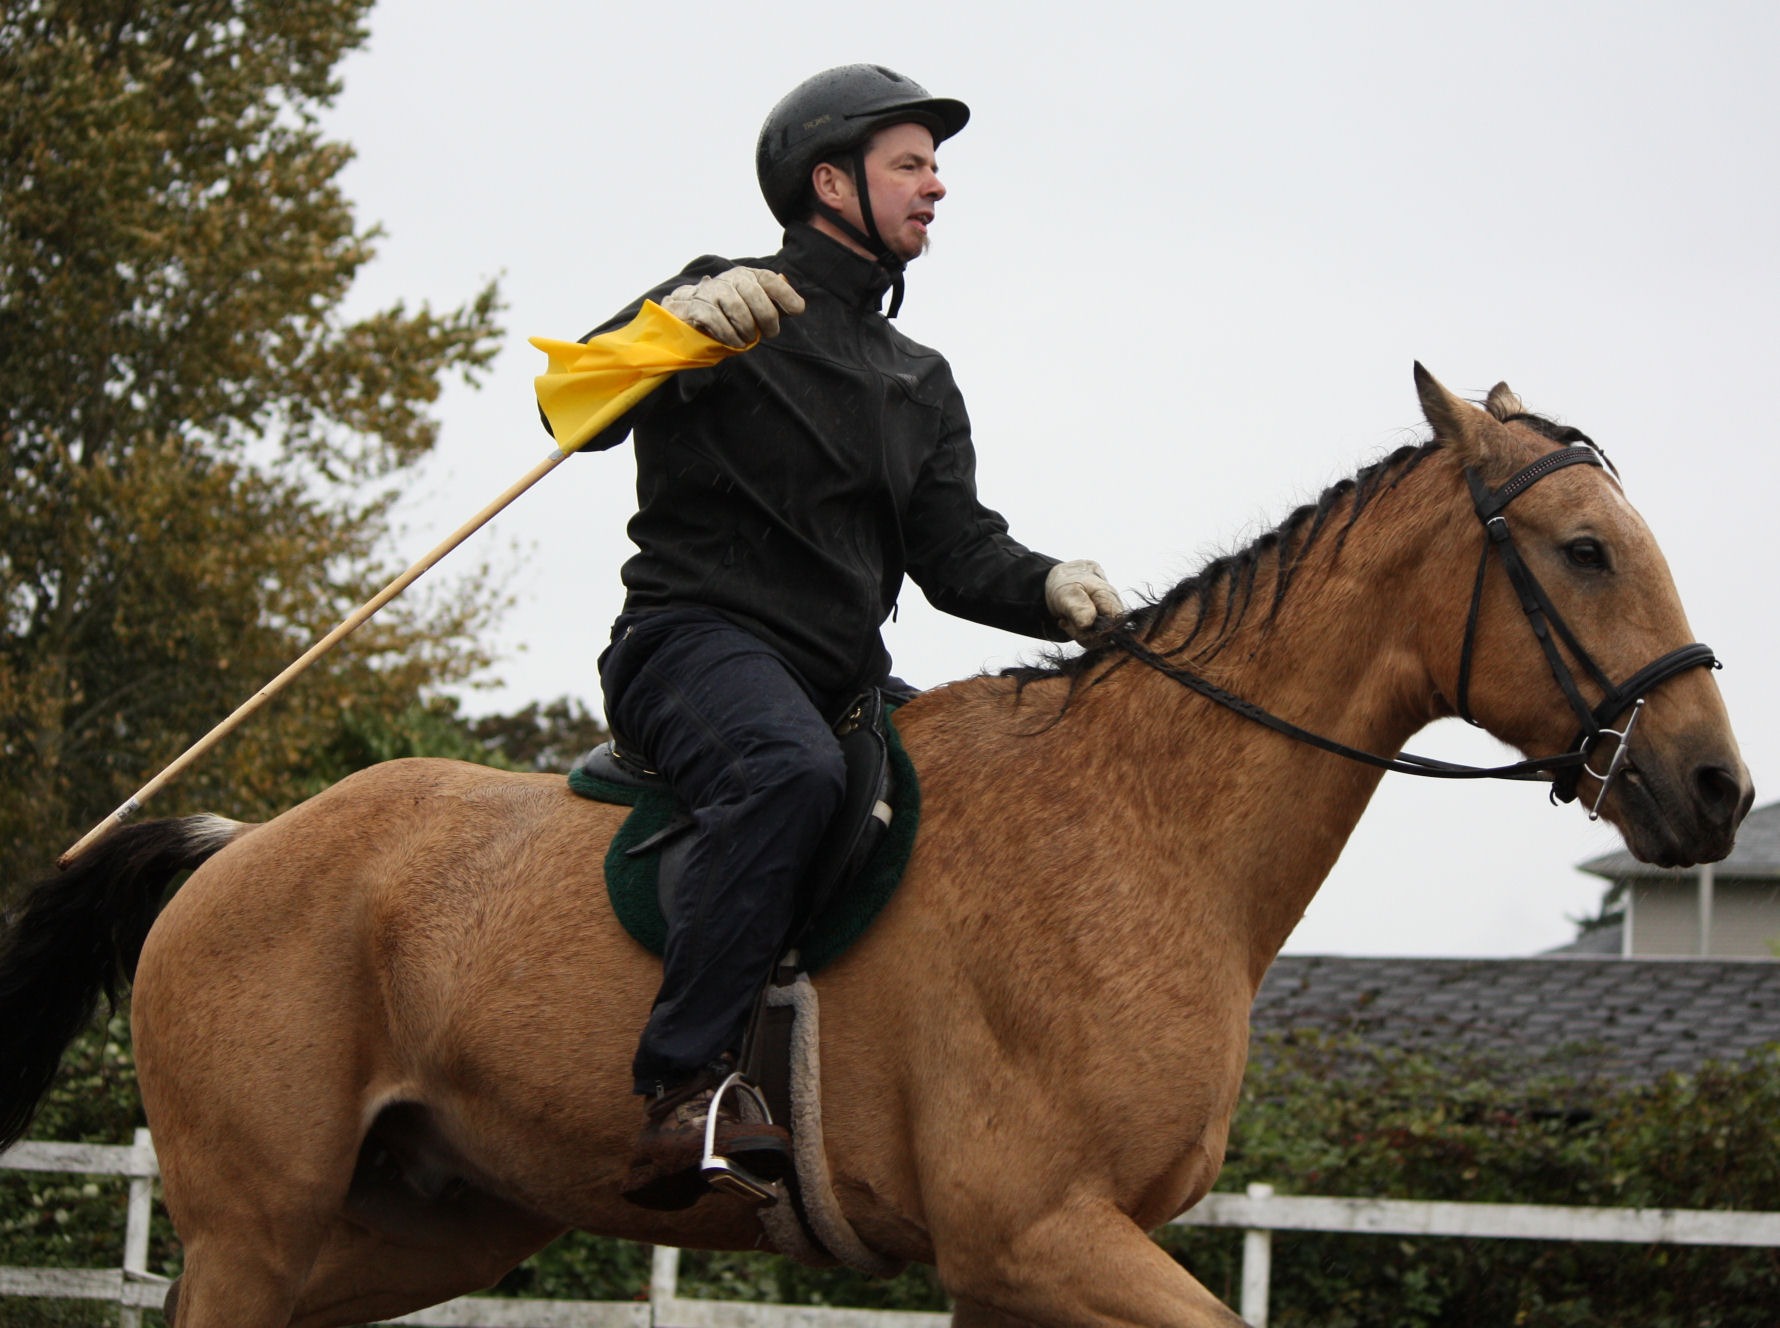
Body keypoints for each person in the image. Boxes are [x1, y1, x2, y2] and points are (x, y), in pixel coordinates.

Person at [549, 63, 1126, 1210]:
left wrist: (1050, 582)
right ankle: (684, 1093)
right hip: (690, 642)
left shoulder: (919, 377)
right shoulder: (718, 296)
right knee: (786, 767)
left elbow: (955, 553)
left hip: (841, 675)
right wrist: (669, 330)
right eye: (911, 163)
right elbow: (568, 406)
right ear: (829, 179)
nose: (937, 186)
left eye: (936, 165)